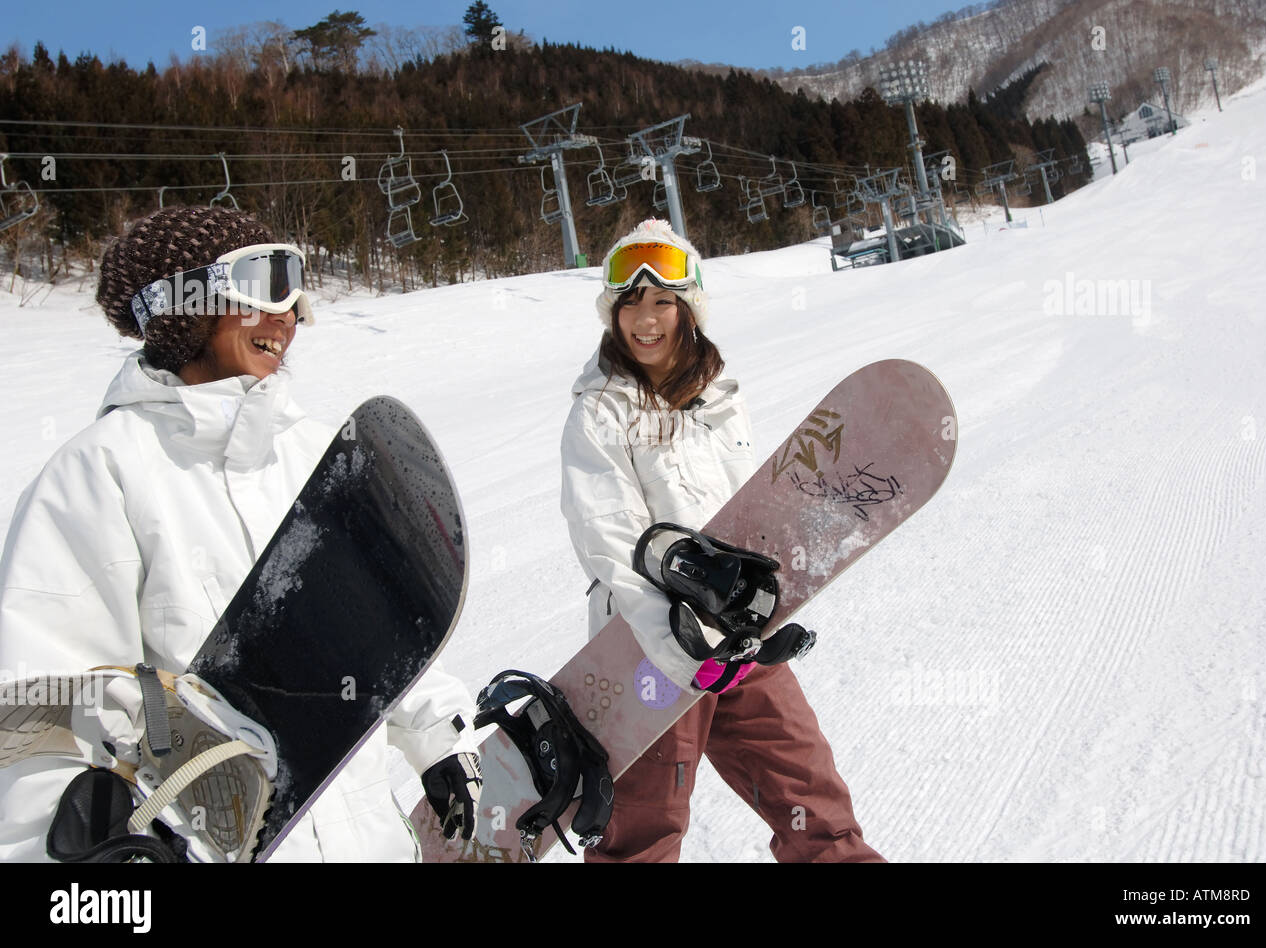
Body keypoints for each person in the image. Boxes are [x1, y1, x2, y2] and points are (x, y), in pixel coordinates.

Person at [0, 205, 480, 862]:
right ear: (179, 306)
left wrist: (438, 737)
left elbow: (382, 631)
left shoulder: (318, 453)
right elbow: (40, 704)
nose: (287, 314)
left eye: (294, 288)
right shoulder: (98, 474)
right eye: (262, 282)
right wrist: (84, 840)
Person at [559, 219, 885, 863]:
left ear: (688, 310)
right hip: (646, 653)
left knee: (815, 806)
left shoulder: (719, 400)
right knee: (641, 837)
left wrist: (771, 610)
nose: (645, 321)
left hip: (737, 640)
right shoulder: (599, 411)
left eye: (662, 303)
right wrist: (678, 651)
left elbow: (753, 520)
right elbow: (611, 543)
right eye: (631, 306)